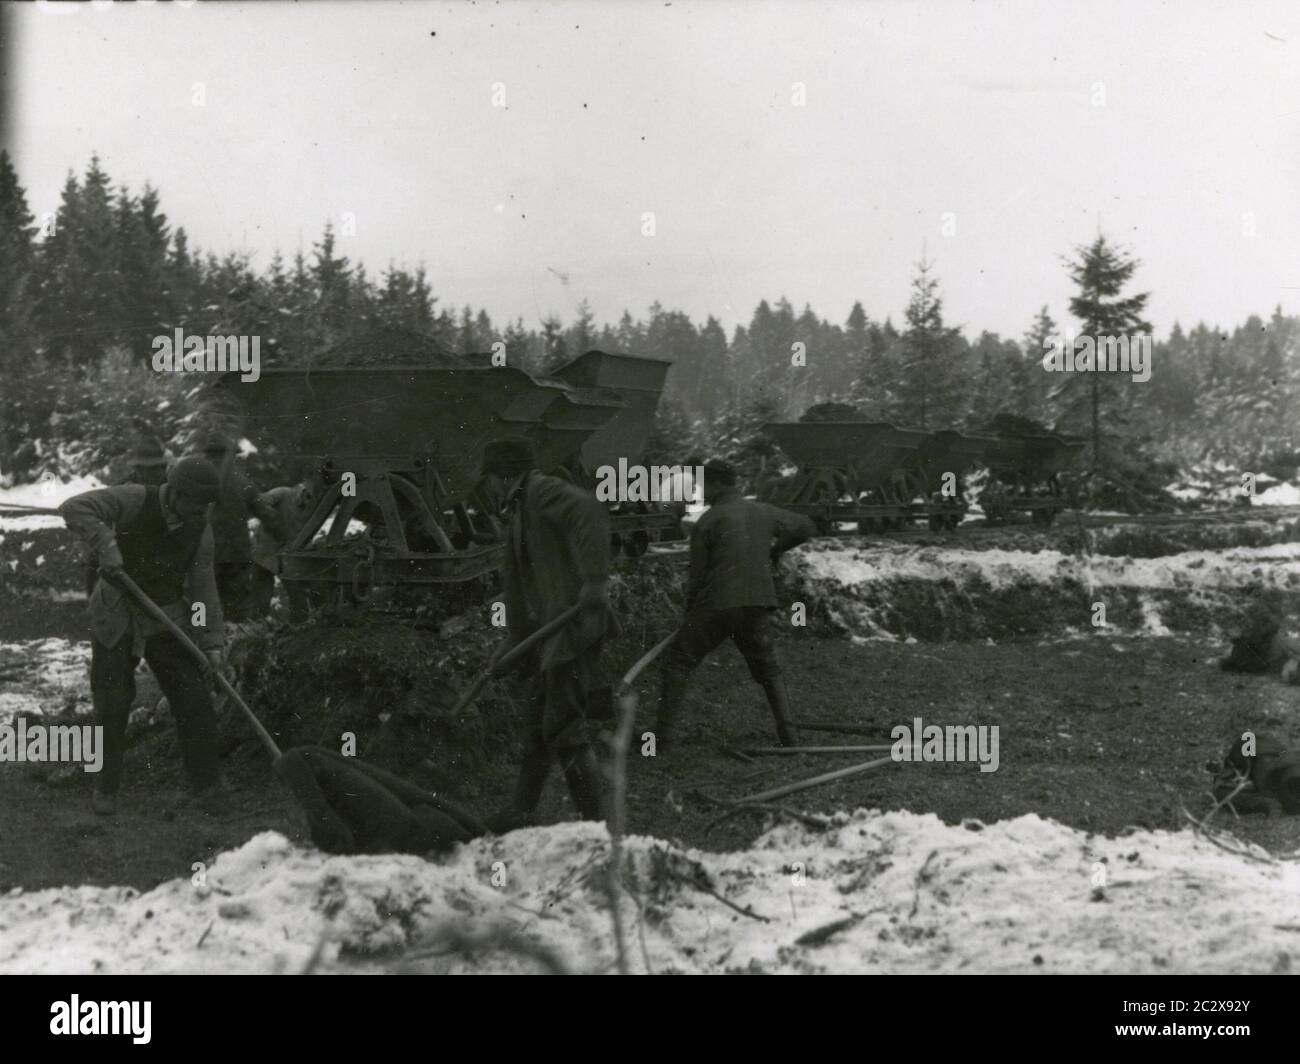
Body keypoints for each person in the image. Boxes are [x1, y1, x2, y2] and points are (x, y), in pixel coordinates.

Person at [59, 455, 230, 816]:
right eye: (198, 503)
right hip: (116, 612)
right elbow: (75, 506)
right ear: (178, 495)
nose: (203, 511)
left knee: (194, 697)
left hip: (164, 617)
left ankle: (207, 789)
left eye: (208, 505)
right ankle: (105, 789)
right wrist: (106, 545)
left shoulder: (201, 527)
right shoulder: (135, 498)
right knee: (114, 699)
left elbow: (202, 588)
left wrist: (211, 642)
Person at [479, 437, 621, 833]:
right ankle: (522, 810)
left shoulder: (542, 492)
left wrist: (595, 580)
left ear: (504, 476)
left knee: (563, 725)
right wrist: (511, 643)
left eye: (489, 480)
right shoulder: (520, 510)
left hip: (572, 629)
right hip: (549, 633)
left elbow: (590, 510)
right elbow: (519, 587)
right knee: (538, 723)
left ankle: (598, 829)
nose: (487, 490)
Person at [654, 458, 817, 749]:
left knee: (678, 663)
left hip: (716, 603)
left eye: (703, 483)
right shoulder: (762, 511)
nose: (700, 490)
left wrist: (690, 614)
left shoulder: (708, 520)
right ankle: (789, 735)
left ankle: (662, 740)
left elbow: (698, 577)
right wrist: (775, 549)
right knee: (768, 667)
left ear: (717, 484)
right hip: (757, 602)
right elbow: (805, 526)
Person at [274, 746, 485, 854]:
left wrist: (339, 848)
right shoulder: (313, 757)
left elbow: (321, 814)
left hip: (418, 839)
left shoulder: (303, 762)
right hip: (436, 830)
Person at [194, 432, 270, 622]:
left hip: (205, 554)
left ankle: (203, 646)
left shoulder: (195, 480)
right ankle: (237, 644)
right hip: (238, 554)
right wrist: (288, 538)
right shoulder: (242, 482)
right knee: (237, 609)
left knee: (202, 605)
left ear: (208, 455)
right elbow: (266, 513)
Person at [249, 479, 317, 620]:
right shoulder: (282, 493)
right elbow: (258, 504)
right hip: (265, 550)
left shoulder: (313, 510)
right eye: (308, 496)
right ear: (303, 491)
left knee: (297, 594)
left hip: (288, 556)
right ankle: (258, 625)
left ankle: (299, 626)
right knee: (259, 594)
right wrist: (276, 524)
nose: (308, 502)